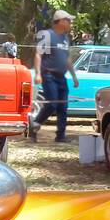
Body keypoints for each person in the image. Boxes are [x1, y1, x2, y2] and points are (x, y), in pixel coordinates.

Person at [30, 9, 80, 143]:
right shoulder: (46, 35)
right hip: (49, 76)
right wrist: (38, 73)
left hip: (61, 77)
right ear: (62, 21)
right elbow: (38, 54)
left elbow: (67, 59)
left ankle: (61, 135)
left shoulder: (65, 38)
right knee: (52, 103)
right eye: (69, 21)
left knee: (63, 106)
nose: (70, 24)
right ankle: (35, 124)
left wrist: (74, 76)